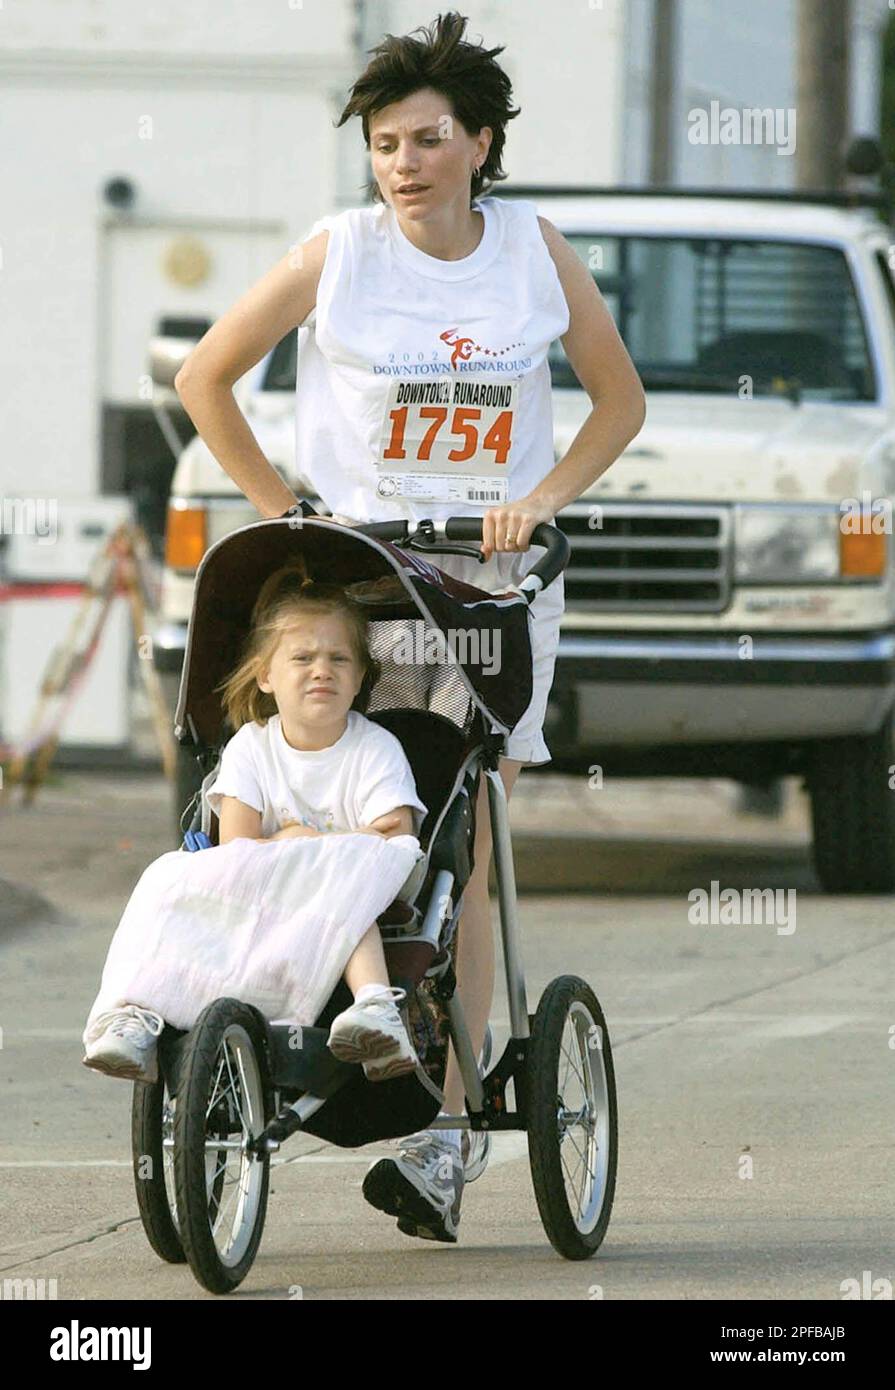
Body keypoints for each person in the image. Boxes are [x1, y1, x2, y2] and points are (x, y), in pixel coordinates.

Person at [173, 12, 646, 1242]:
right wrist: (285, 511)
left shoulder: (537, 255)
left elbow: (618, 400)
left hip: (485, 592)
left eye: (429, 139)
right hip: (354, 573)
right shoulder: (338, 252)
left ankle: (445, 1124)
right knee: (297, 790)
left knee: (461, 827)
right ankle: (266, 1022)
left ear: (480, 144)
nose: (404, 162)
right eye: (385, 142)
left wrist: (538, 499)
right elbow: (203, 378)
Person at [82, 562, 429, 1085]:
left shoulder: (374, 748)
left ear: (360, 679)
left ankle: (376, 1005)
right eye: (303, 658)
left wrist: (305, 843)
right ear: (266, 675)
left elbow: (394, 834)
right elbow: (236, 848)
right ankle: (134, 1012)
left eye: (339, 659)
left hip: (348, 893)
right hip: (267, 893)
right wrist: (304, 847)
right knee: (165, 875)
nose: (322, 670)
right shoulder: (251, 746)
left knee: (346, 873)